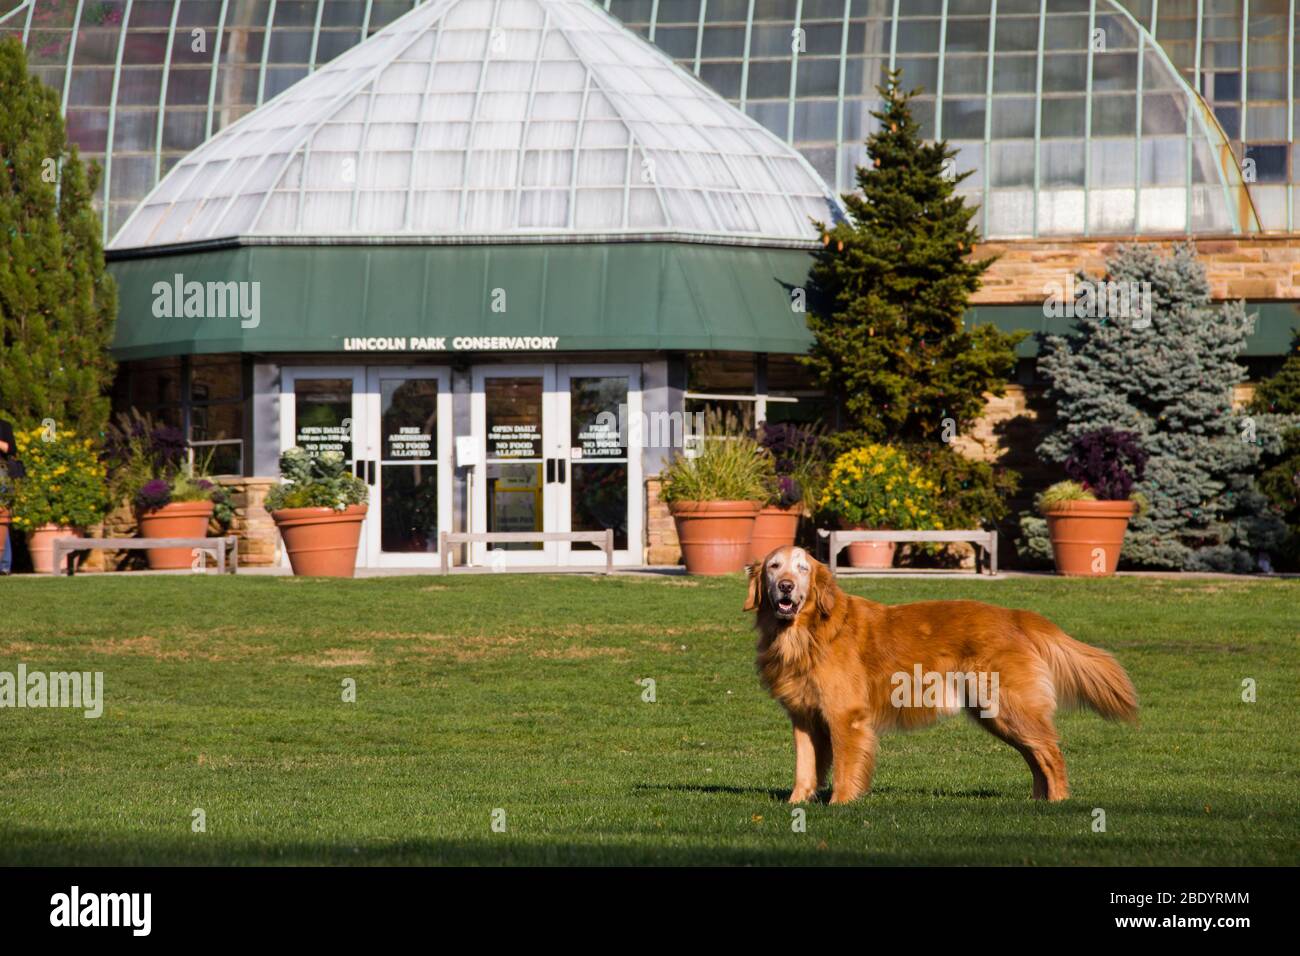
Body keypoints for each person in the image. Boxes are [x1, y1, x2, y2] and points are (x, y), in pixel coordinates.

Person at [0, 417, 24, 575]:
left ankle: (4, 564)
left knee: (2, 518)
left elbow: (12, 449)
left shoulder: (3, 425)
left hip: (1, 473)